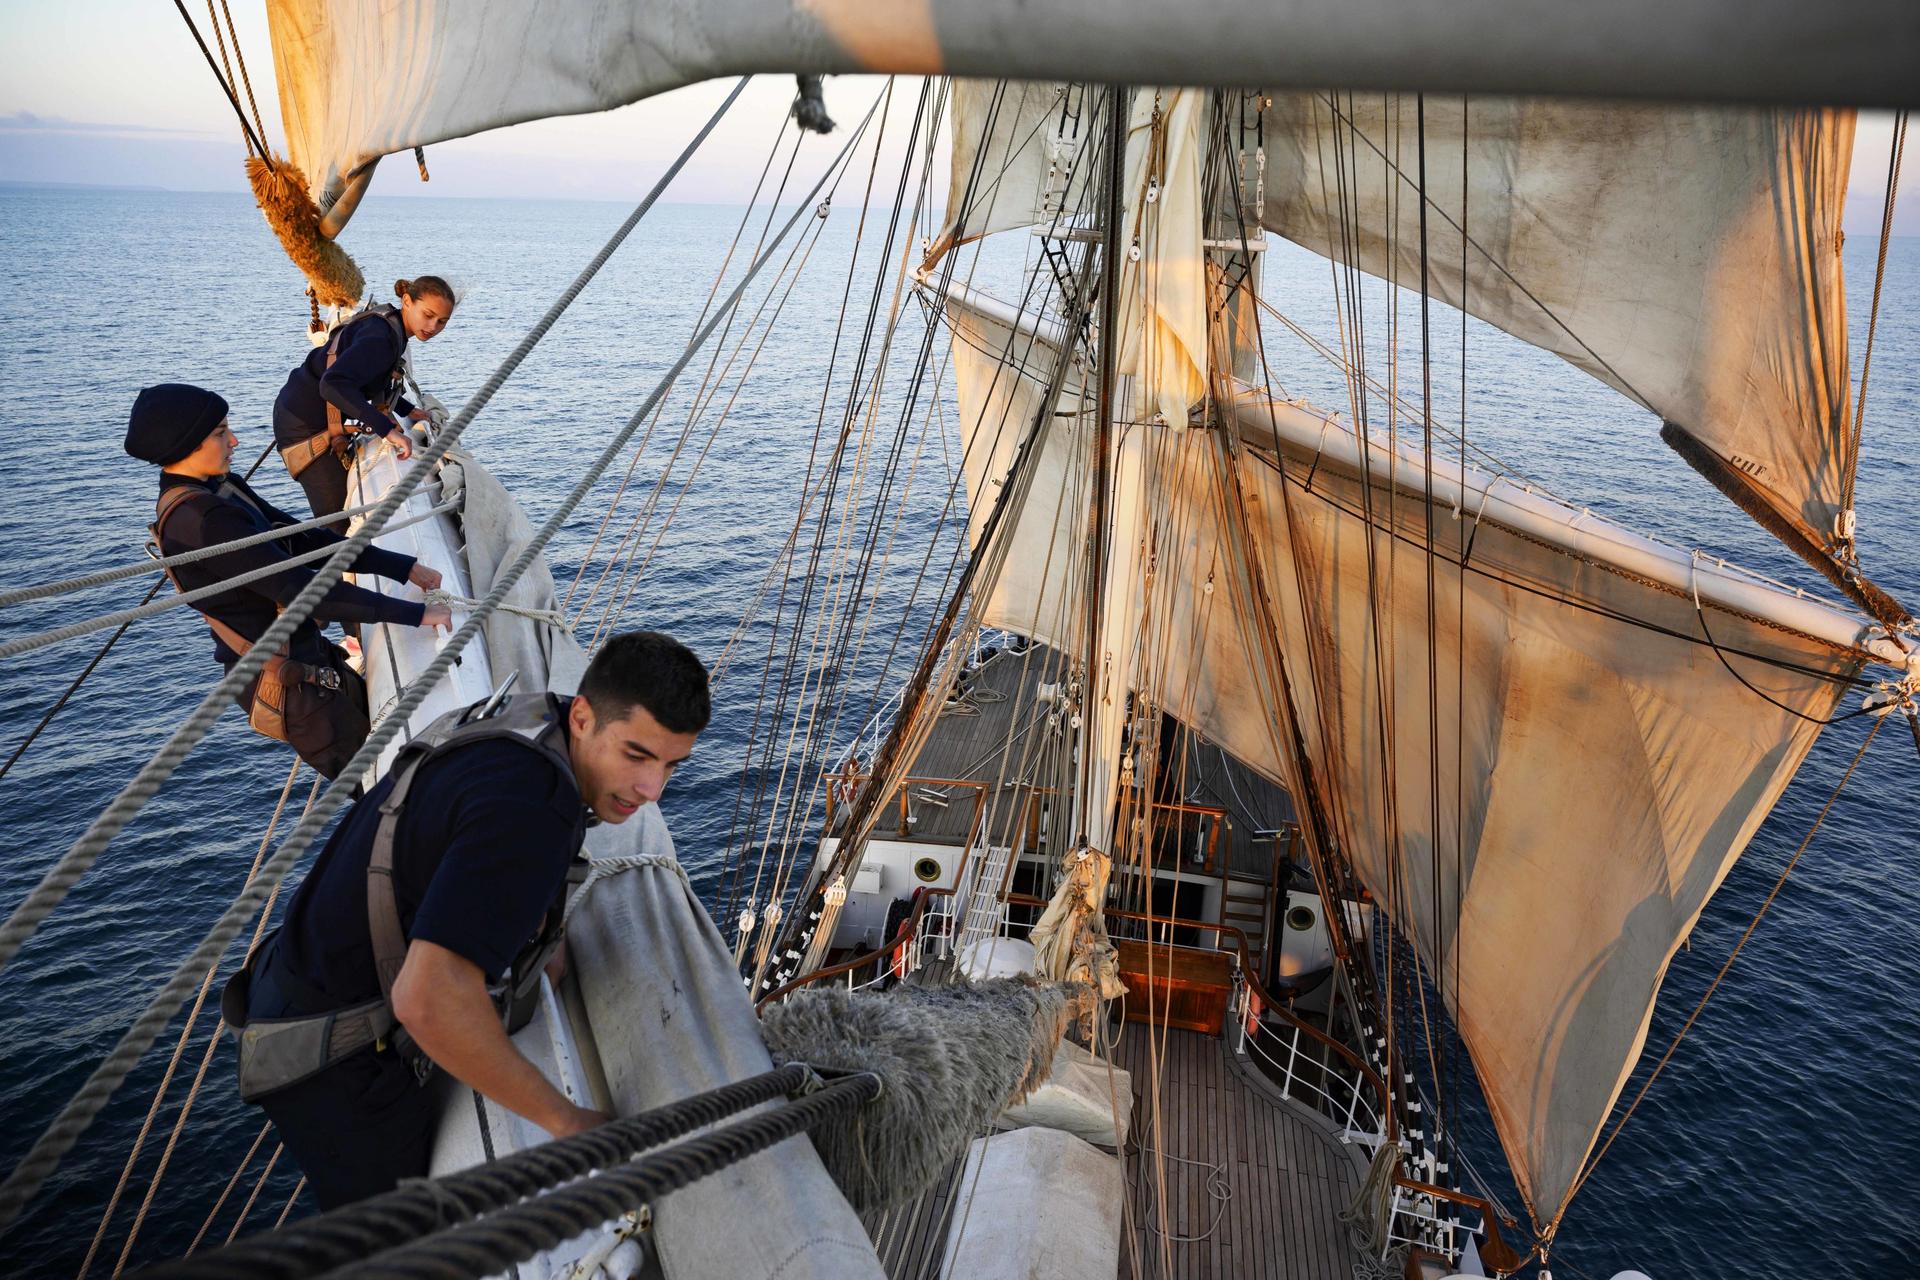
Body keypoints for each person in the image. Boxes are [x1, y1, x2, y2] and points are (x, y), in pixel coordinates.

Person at [221, 631, 711, 1209]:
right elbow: (427, 1000)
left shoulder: (525, 724)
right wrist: (570, 1121)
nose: (652, 789)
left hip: (294, 977)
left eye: (671, 765)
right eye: (636, 755)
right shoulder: (534, 813)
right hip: (335, 1063)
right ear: (583, 717)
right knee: (395, 1246)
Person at [127, 383, 451, 777]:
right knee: (387, 787)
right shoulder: (201, 521)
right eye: (219, 433)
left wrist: (399, 567)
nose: (234, 440)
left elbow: (300, 538)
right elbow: (301, 591)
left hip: (307, 658)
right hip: (293, 686)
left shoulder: (218, 490)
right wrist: (417, 615)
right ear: (183, 445)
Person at [273, 276, 457, 519]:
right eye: (428, 315)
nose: (433, 326)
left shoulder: (390, 326)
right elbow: (332, 384)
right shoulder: (381, 339)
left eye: (442, 321)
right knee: (337, 522)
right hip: (303, 424)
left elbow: (369, 374)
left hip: (302, 406)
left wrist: (405, 409)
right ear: (407, 301)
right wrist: (386, 431)